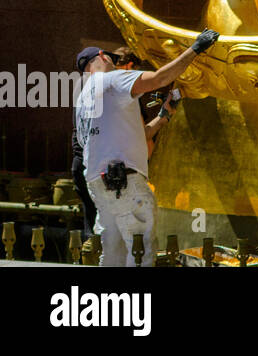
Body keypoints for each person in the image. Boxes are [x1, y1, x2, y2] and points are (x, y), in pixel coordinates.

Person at [73, 29, 218, 267]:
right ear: (102, 57)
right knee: (141, 250)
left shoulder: (83, 99)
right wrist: (196, 48)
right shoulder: (112, 79)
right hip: (124, 182)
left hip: (99, 185)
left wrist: (163, 117)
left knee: (113, 253)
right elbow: (160, 78)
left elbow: (133, 137)